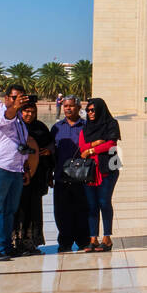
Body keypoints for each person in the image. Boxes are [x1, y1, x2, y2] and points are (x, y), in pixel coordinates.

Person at [0, 84, 38, 261]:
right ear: (6, 98)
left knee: (8, 211)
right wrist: (15, 106)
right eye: (14, 97)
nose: (18, 101)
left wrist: (24, 169)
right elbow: (8, 115)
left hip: (14, 170)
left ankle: (5, 247)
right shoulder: (1, 114)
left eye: (21, 97)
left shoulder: (20, 122)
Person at [79, 97, 122, 253]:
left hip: (108, 168)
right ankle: (93, 239)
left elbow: (111, 144)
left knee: (104, 202)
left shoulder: (111, 124)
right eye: (88, 110)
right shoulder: (86, 127)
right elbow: (81, 145)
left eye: (92, 110)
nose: (90, 113)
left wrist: (90, 150)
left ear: (100, 109)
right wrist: (95, 143)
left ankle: (107, 238)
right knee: (92, 205)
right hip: (90, 171)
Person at [12, 96, 53, 255]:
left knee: (34, 209)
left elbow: (50, 146)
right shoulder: (15, 127)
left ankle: (31, 243)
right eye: (26, 111)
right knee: (18, 209)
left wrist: (49, 151)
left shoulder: (40, 128)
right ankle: (16, 242)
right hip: (18, 176)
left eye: (32, 111)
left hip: (37, 177)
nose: (29, 114)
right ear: (21, 112)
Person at [51, 96, 91, 252]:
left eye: (71, 106)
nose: (68, 108)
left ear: (78, 107)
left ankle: (84, 240)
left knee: (83, 209)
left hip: (82, 177)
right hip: (62, 177)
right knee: (62, 211)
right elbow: (51, 153)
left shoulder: (86, 126)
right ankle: (65, 241)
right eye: (65, 106)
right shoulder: (57, 128)